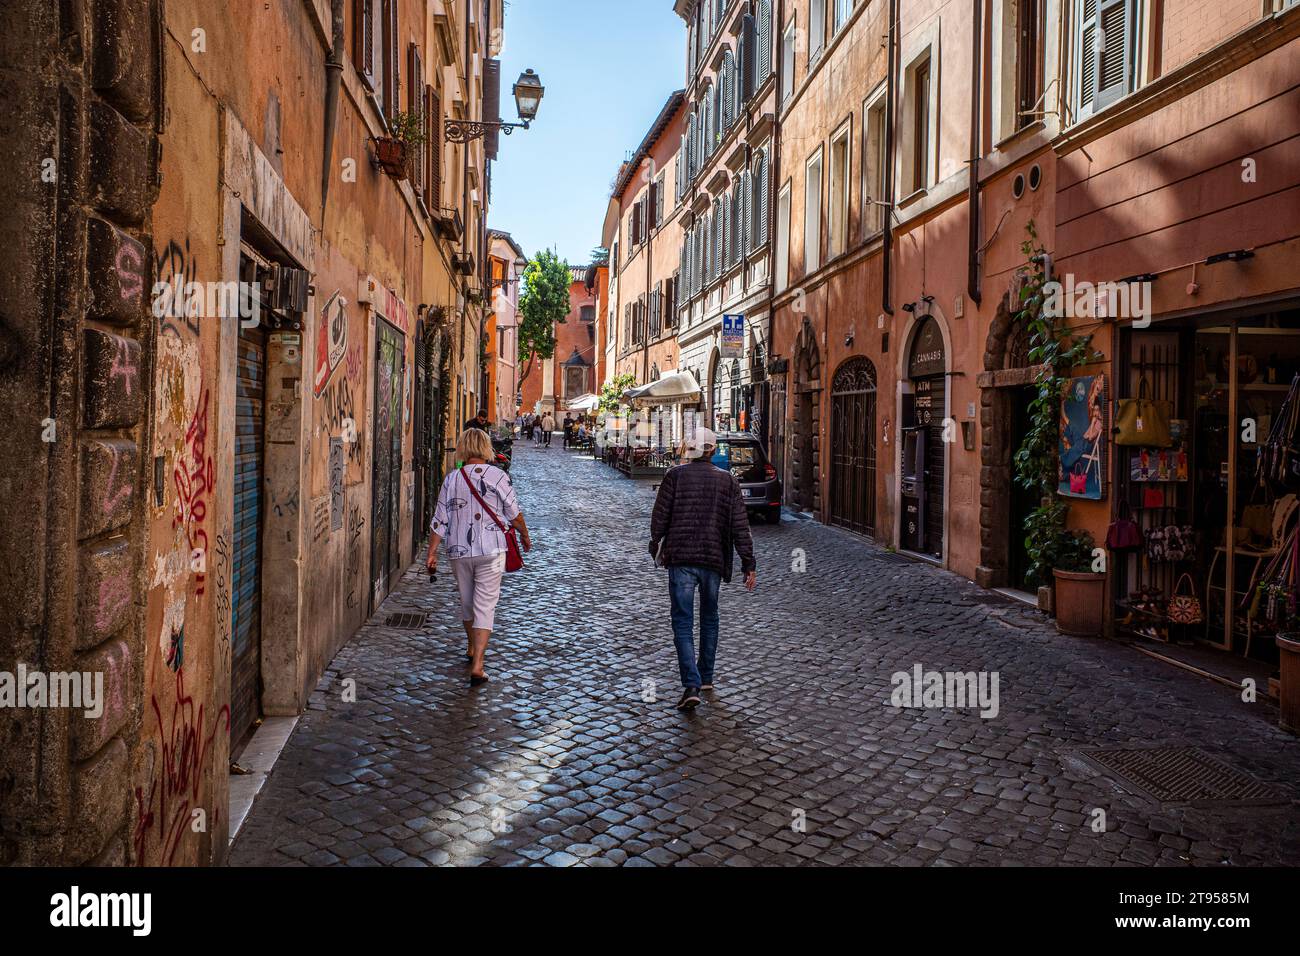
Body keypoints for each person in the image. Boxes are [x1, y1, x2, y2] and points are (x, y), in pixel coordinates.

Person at [649, 426, 756, 710]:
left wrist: (655, 543)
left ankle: (692, 684)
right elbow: (739, 526)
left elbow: (659, 516)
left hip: (682, 558)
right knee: (709, 617)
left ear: (691, 449)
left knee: (682, 621)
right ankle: (705, 676)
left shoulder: (674, 476)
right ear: (712, 450)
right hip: (712, 559)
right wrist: (748, 562)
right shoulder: (728, 482)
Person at [426, 428, 532, 687]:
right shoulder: (498, 476)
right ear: (486, 448)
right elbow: (514, 514)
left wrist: (431, 552)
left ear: (463, 448)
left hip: (459, 549)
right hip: (493, 550)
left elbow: (440, 520)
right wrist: (525, 536)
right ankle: (478, 664)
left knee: (467, 601)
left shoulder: (452, 479)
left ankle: (471, 646)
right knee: (486, 603)